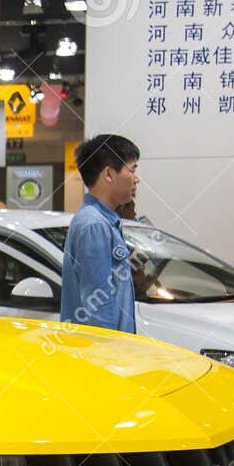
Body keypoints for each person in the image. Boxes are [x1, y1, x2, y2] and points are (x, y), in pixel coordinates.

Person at [61, 134, 140, 334]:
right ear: (109, 174)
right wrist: (110, 358)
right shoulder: (94, 225)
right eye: (132, 170)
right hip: (105, 354)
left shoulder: (104, 222)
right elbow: (99, 308)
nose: (137, 179)